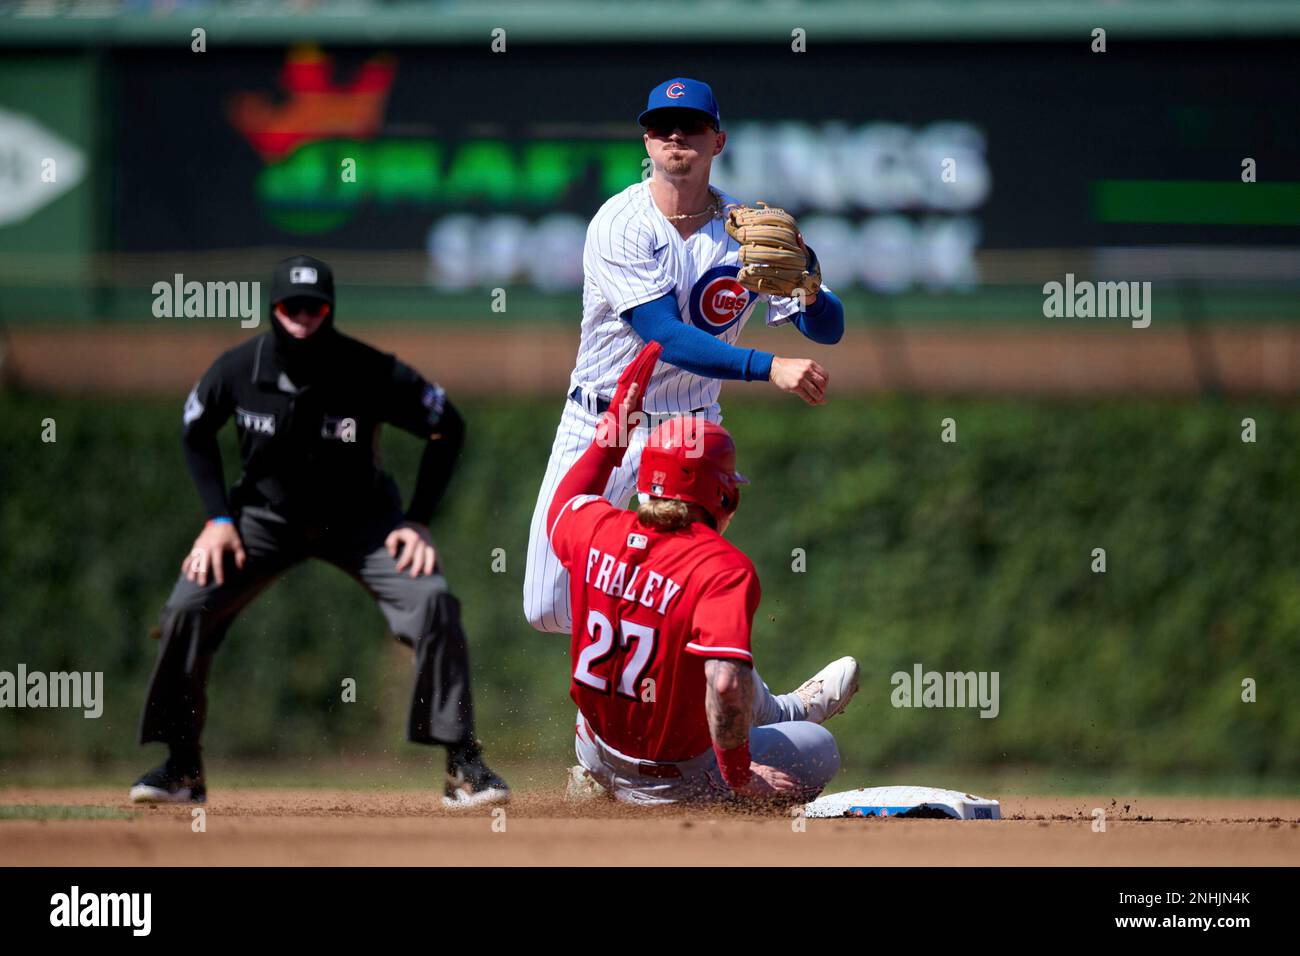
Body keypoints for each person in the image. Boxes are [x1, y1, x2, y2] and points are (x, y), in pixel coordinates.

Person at [130, 254, 508, 808]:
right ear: (274, 309)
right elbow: (194, 431)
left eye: (315, 305)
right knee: (189, 605)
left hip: (363, 522)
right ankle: (181, 768)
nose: (304, 316)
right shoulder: (237, 370)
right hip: (262, 521)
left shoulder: (369, 370)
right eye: (292, 305)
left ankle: (462, 765)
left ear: (329, 308)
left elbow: (447, 427)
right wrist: (216, 519)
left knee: (432, 601)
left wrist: (418, 520)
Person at [523, 76, 845, 634]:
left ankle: (736, 701)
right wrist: (769, 366)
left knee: (680, 596)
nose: (676, 136)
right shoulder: (619, 225)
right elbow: (662, 335)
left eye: (692, 126)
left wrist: (811, 284)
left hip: (690, 435)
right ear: (646, 142)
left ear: (717, 141)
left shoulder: (745, 232)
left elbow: (829, 330)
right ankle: (635, 668)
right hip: (601, 420)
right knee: (547, 607)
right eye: (660, 127)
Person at [547, 342, 858, 804]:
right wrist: (741, 775)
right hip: (673, 780)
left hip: (593, 750)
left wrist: (611, 437)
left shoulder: (595, 528)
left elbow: (563, 503)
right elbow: (726, 683)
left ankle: (781, 710)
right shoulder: (722, 568)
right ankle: (787, 718)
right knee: (820, 751)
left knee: (702, 652)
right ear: (724, 497)